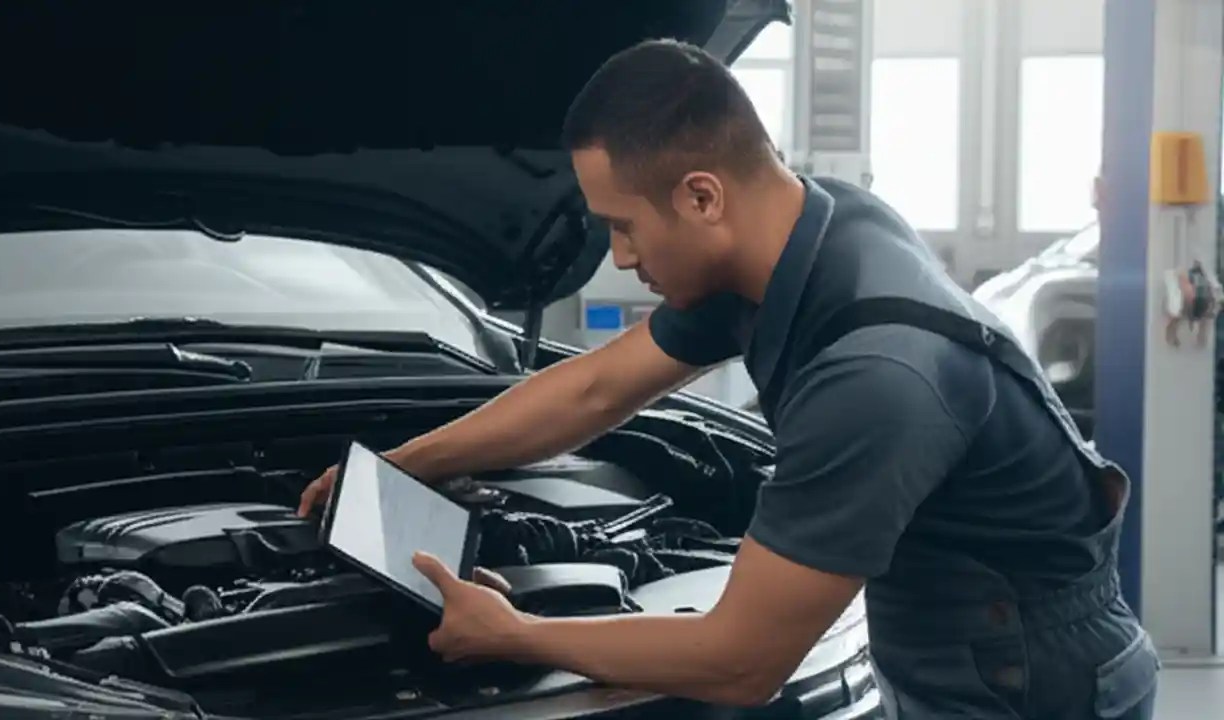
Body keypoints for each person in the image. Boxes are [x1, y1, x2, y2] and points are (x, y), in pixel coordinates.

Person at [298, 39, 1159, 717]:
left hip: (1031, 683)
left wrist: (518, 632)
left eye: (622, 226)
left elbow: (742, 663)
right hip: (952, 636)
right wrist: (409, 464)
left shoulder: (877, 376)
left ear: (703, 197)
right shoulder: (801, 226)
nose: (621, 257)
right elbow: (596, 389)